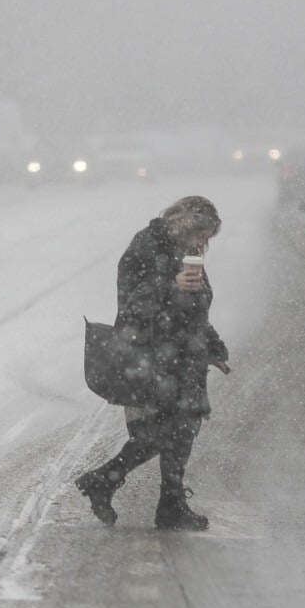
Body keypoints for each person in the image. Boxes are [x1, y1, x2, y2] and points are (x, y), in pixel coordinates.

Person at [74, 195, 230, 530]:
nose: (204, 243)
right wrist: (170, 285)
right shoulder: (147, 247)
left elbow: (195, 308)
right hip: (154, 355)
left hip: (185, 356)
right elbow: (132, 307)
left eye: (208, 238)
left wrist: (213, 347)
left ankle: (166, 502)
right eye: (201, 234)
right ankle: (108, 481)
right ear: (186, 224)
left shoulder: (184, 254)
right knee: (163, 432)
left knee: (184, 428)